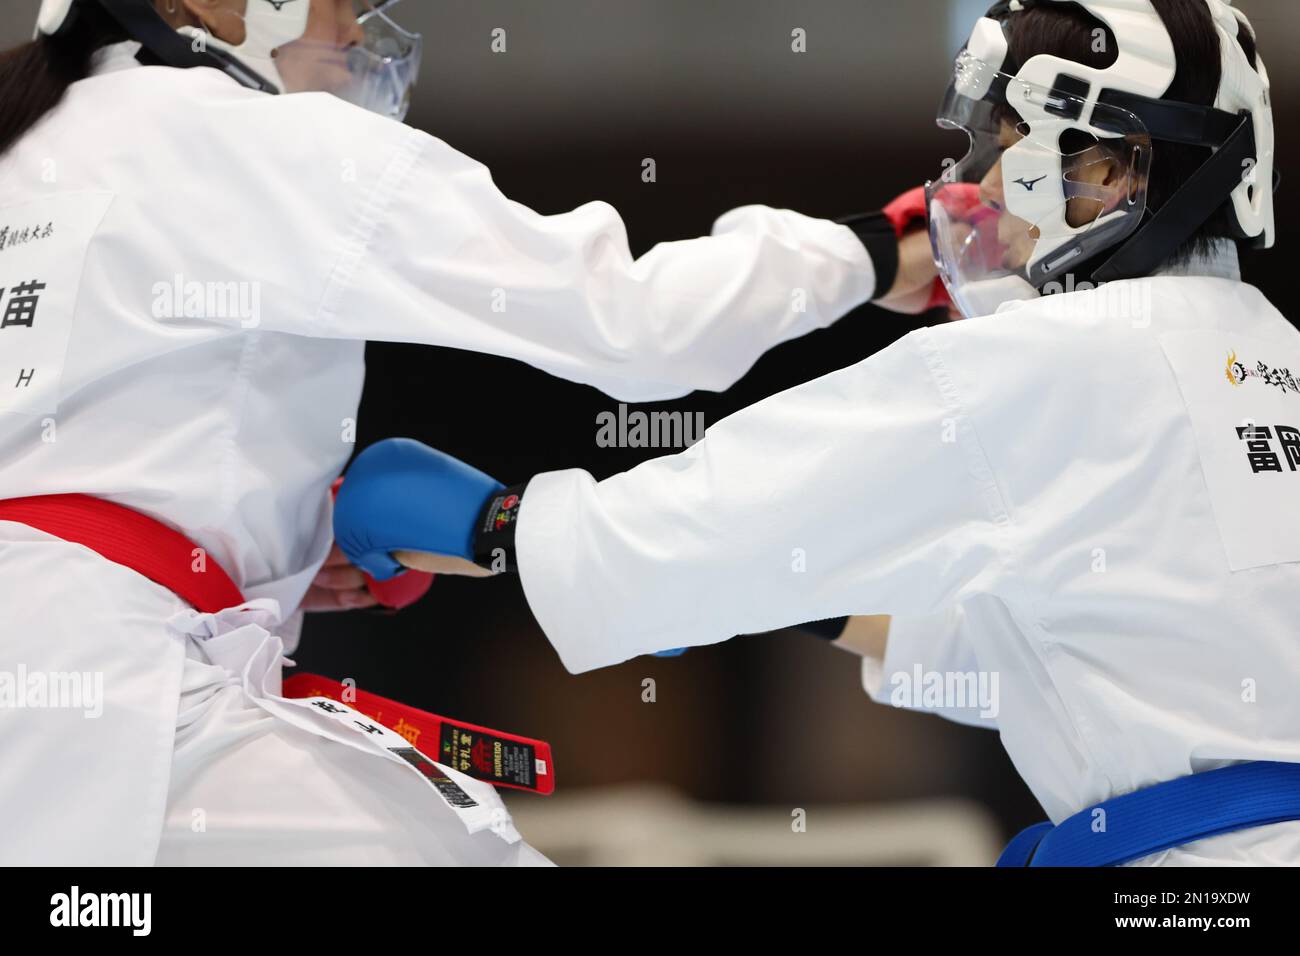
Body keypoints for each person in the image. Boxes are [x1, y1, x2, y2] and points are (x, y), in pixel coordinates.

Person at [335, 0, 1300, 866]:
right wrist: (783, 588)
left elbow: (720, 510)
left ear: (1107, 166)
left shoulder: (1062, 356)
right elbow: (1072, 656)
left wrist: (499, 527)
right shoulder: (1270, 361)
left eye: (1006, 144)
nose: (980, 189)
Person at [0, 0, 936, 865]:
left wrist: (259, 546)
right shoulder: (251, 137)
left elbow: (84, 463)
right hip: (115, 691)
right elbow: (635, 328)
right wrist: (869, 254)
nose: (362, 24)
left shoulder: (33, 144)